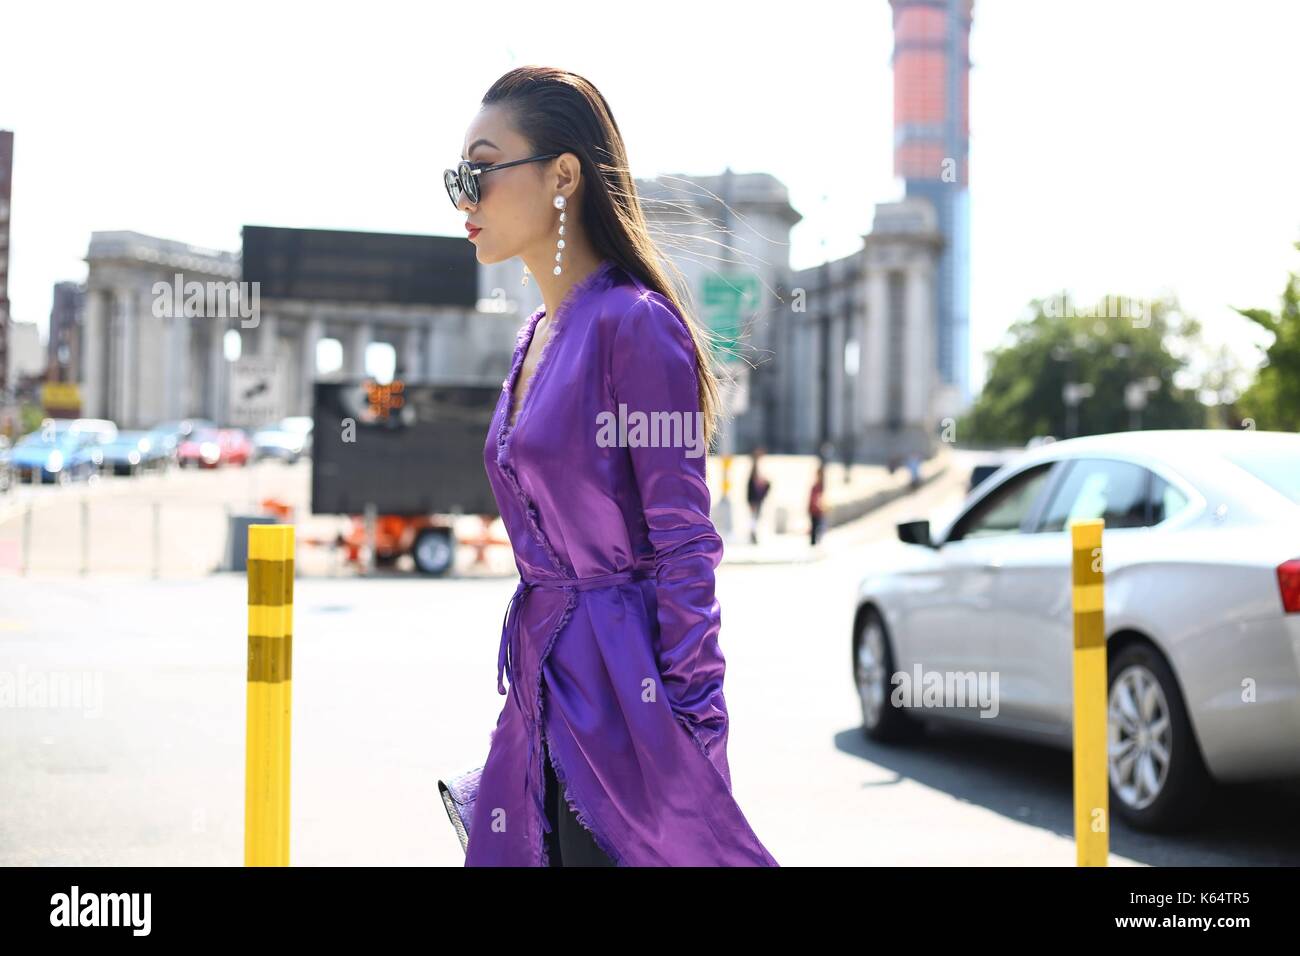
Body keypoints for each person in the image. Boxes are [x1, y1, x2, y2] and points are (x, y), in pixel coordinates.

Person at [449, 66, 778, 867]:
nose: (465, 199)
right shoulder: (534, 336)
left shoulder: (635, 325)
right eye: (455, 178)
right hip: (540, 694)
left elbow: (683, 544)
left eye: (480, 172)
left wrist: (697, 737)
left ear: (563, 175)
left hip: (628, 713)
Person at [746, 446, 771, 545]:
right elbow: (755, 482)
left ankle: (753, 534)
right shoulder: (754, 467)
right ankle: (753, 534)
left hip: (755, 497)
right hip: (755, 498)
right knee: (754, 517)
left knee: (755, 517)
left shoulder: (755, 466)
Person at [808, 463, 826, 546]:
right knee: (814, 526)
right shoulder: (816, 486)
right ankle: (813, 543)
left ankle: (816, 542)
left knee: (818, 526)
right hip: (814, 509)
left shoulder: (821, 486)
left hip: (819, 509)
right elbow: (813, 498)